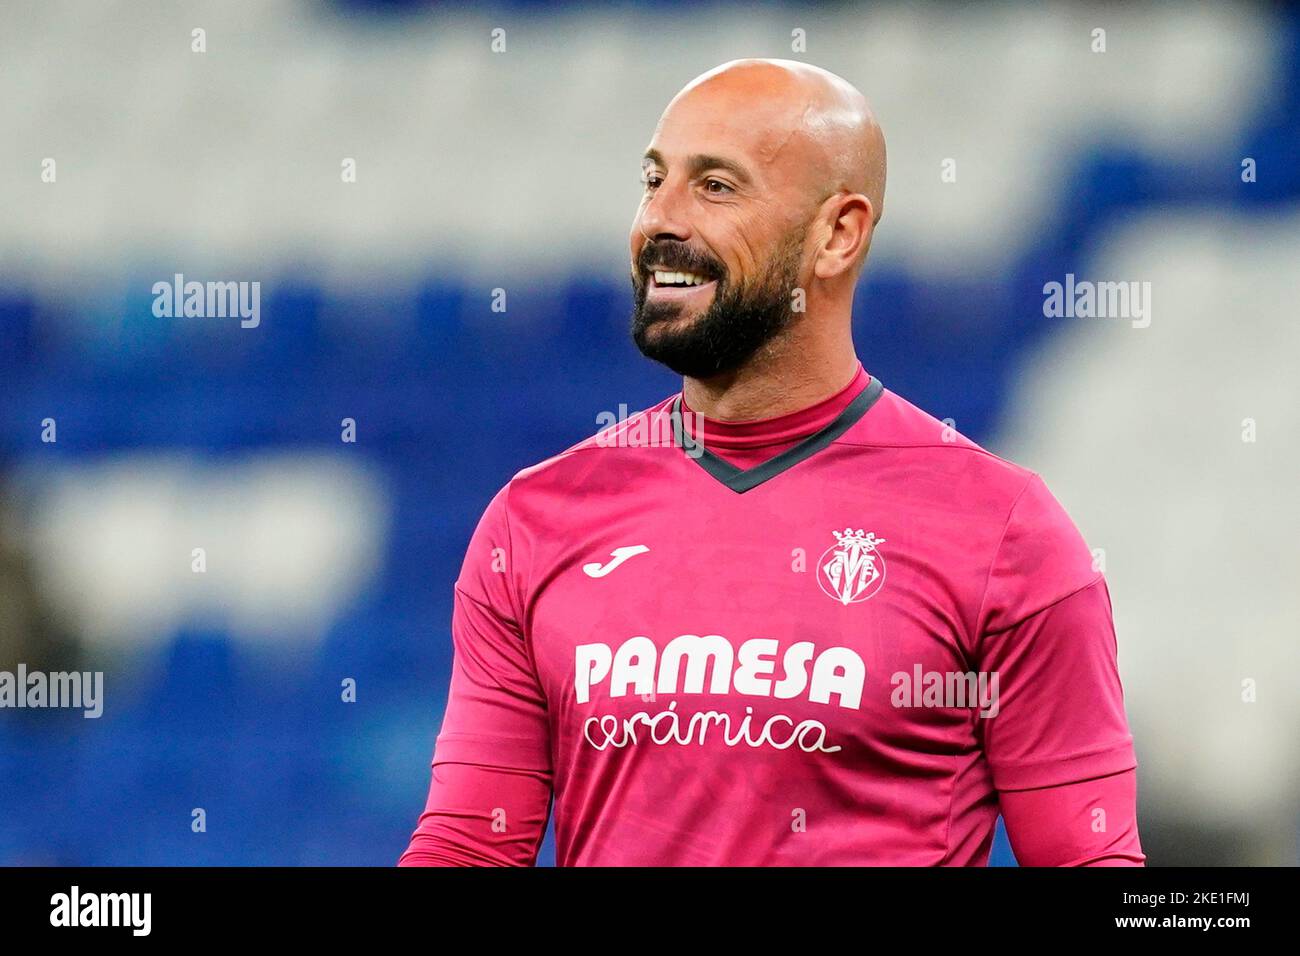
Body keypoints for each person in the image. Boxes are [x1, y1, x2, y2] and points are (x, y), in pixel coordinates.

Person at [399, 58, 1143, 866]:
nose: (659, 220)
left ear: (838, 233)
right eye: (655, 180)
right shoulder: (535, 519)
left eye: (716, 187)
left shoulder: (1004, 532)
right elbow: (469, 846)